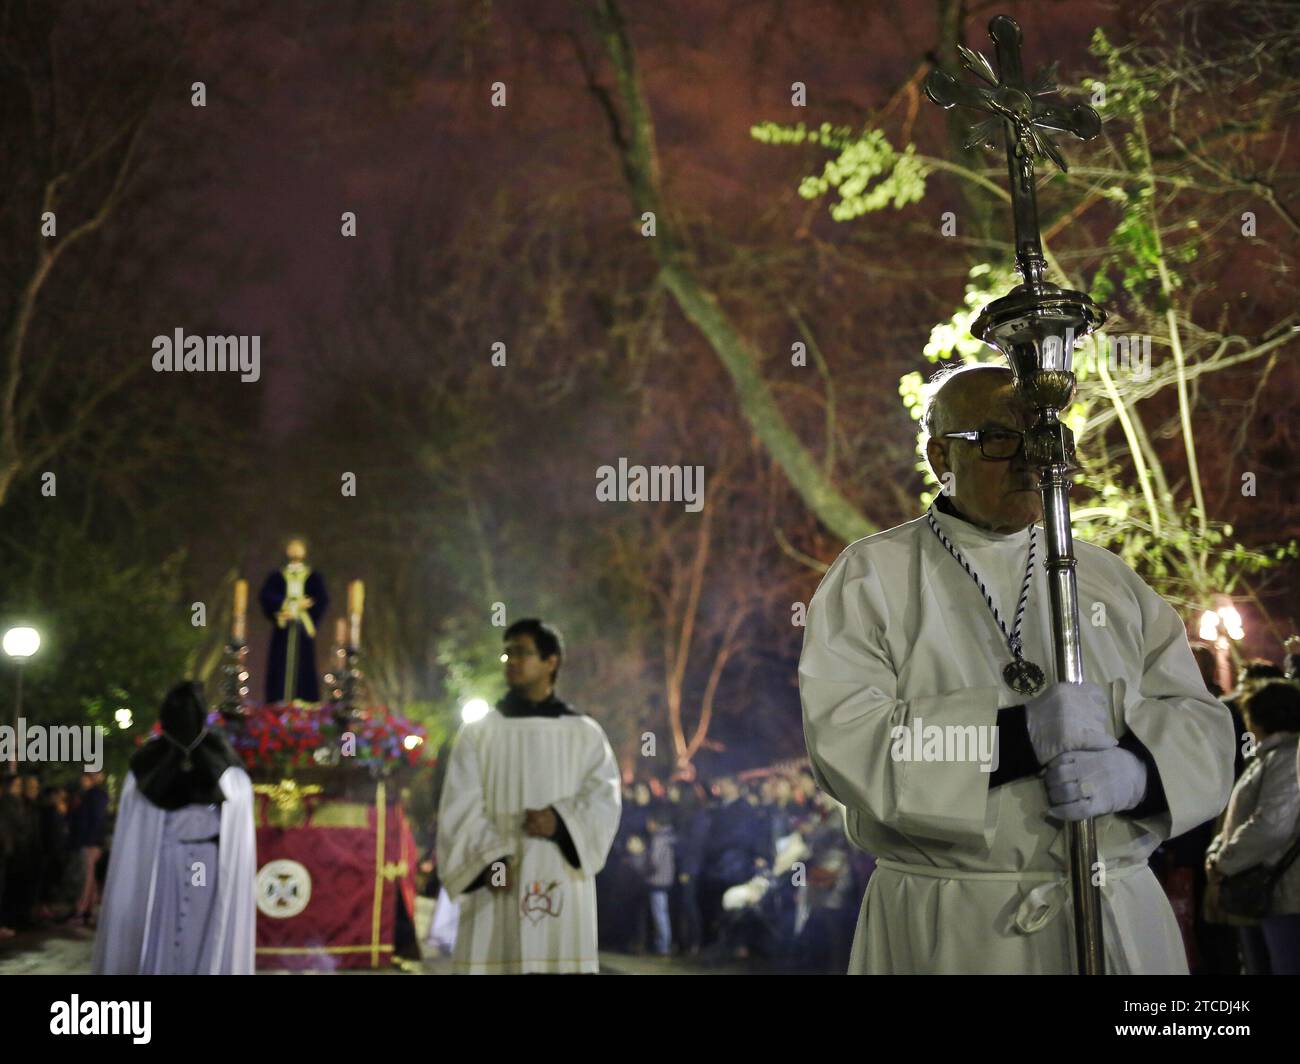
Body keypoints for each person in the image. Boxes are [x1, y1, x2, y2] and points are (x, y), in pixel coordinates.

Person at [799, 363, 1235, 974]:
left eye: (1042, 438)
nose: (1031, 460)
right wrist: (1016, 736)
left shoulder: (1109, 581)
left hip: (1113, 905)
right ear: (938, 453)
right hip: (955, 923)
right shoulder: (873, 576)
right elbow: (849, 744)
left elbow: (1204, 725)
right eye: (1001, 439)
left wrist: (1138, 774)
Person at [436, 619, 621, 974]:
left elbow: (603, 801)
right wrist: (489, 860)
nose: (512, 661)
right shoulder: (479, 734)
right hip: (498, 881)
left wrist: (561, 822)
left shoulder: (585, 734)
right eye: (507, 654)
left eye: (522, 652)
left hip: (561, 877)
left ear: (551, 661)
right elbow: (459, 806)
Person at [92, 681, 257, 974]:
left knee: (195, 920)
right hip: (165, 859)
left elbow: (236, 804)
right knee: (162, 922)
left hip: (199, 862)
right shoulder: (149, 761)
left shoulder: (217, 757)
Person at [1206, 680, 1300, 975]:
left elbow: (1271, 825)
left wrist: (1224, 861)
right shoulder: (1269, 757)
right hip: (1268, 888)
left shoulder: (1285, 758)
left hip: (1283, 890)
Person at [258, 535, 329, 703]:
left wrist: (308, 611)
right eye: (292, 547)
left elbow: (321, 599)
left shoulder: (312, 576)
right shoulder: (278, 576)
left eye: (299, 547)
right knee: (280, 665)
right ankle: (278, 701)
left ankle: (303, 703)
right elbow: (266, 596)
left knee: (303, 665)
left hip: (302, 628)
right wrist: (284, 607)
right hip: (283, 629)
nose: (295, 551)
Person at [67, 771, 108, 927]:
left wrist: (88, 840)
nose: (82, 780)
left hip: (89, 843)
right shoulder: (91, 796)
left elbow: (94, 820)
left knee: (86, 878)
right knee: (89, 879)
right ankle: (87, 912)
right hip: (91, 842)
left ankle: (81, 911)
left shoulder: (94, 796)